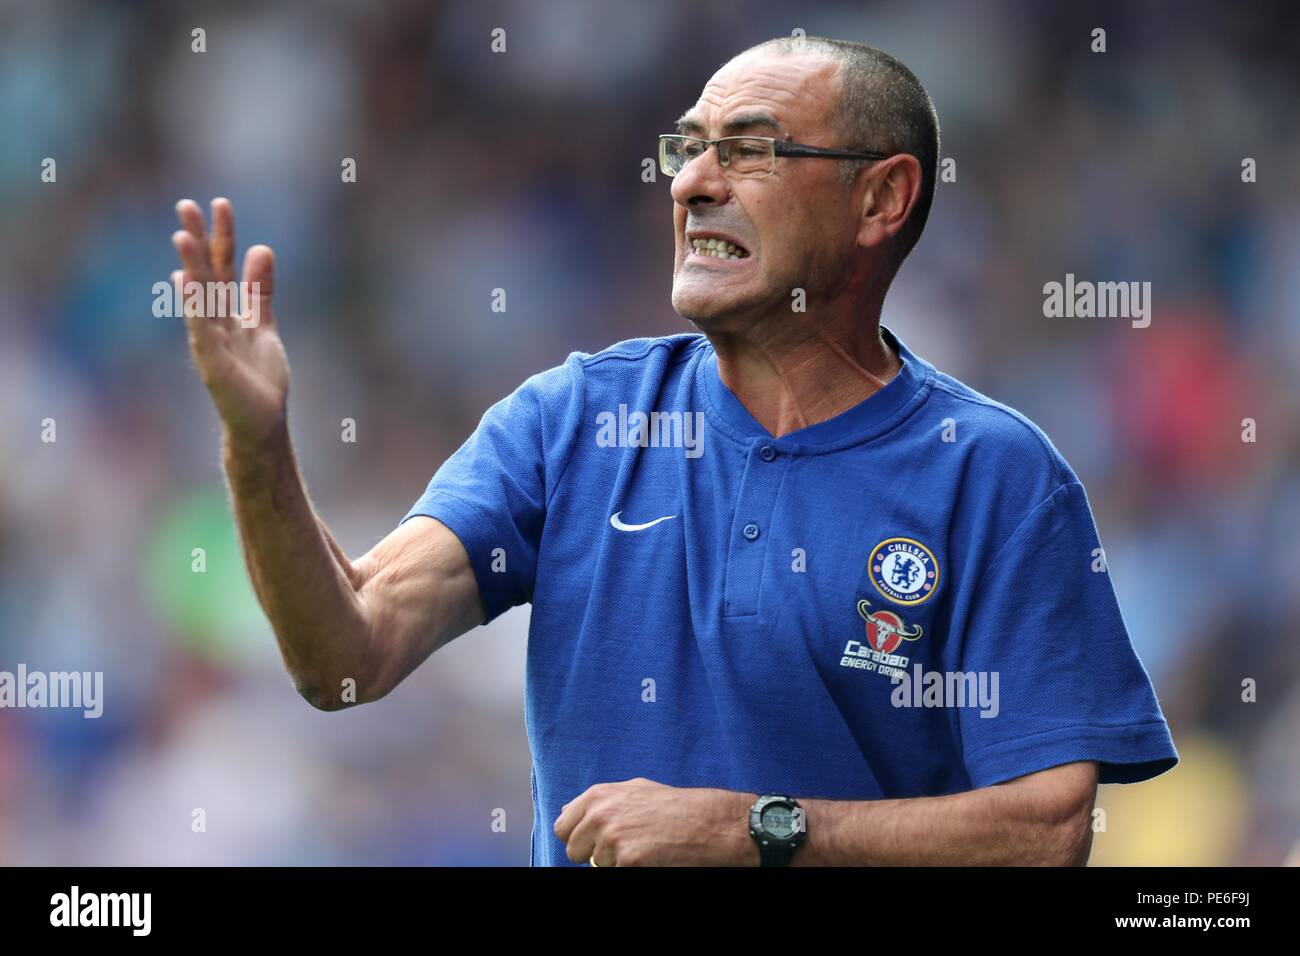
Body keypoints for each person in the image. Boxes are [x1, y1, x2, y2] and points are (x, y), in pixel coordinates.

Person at [170, 36, 1176, 867]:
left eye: (747, 150)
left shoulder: (992, 475)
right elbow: (345, 655)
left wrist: (752, 827)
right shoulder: (570, 421)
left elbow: (1047, 830)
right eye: (686, 148)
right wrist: (257, 444)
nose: (693, 182)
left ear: (881, 199)